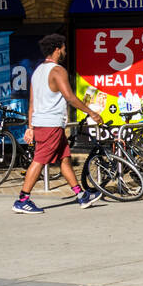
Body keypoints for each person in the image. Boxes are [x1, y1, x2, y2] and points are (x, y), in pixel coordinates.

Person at [14, 34, 102, 215]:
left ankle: (81, 196)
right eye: (63, 48)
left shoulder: (38, 71)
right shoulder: (57, 71)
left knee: (65, 159)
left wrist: (31, 127)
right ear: (56, 49)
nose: (65, 51)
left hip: (43, 123)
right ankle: (22, 200)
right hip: (50, 125)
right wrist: (91, 112)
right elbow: (69, 96)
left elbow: (31, 103)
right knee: (39, 160)